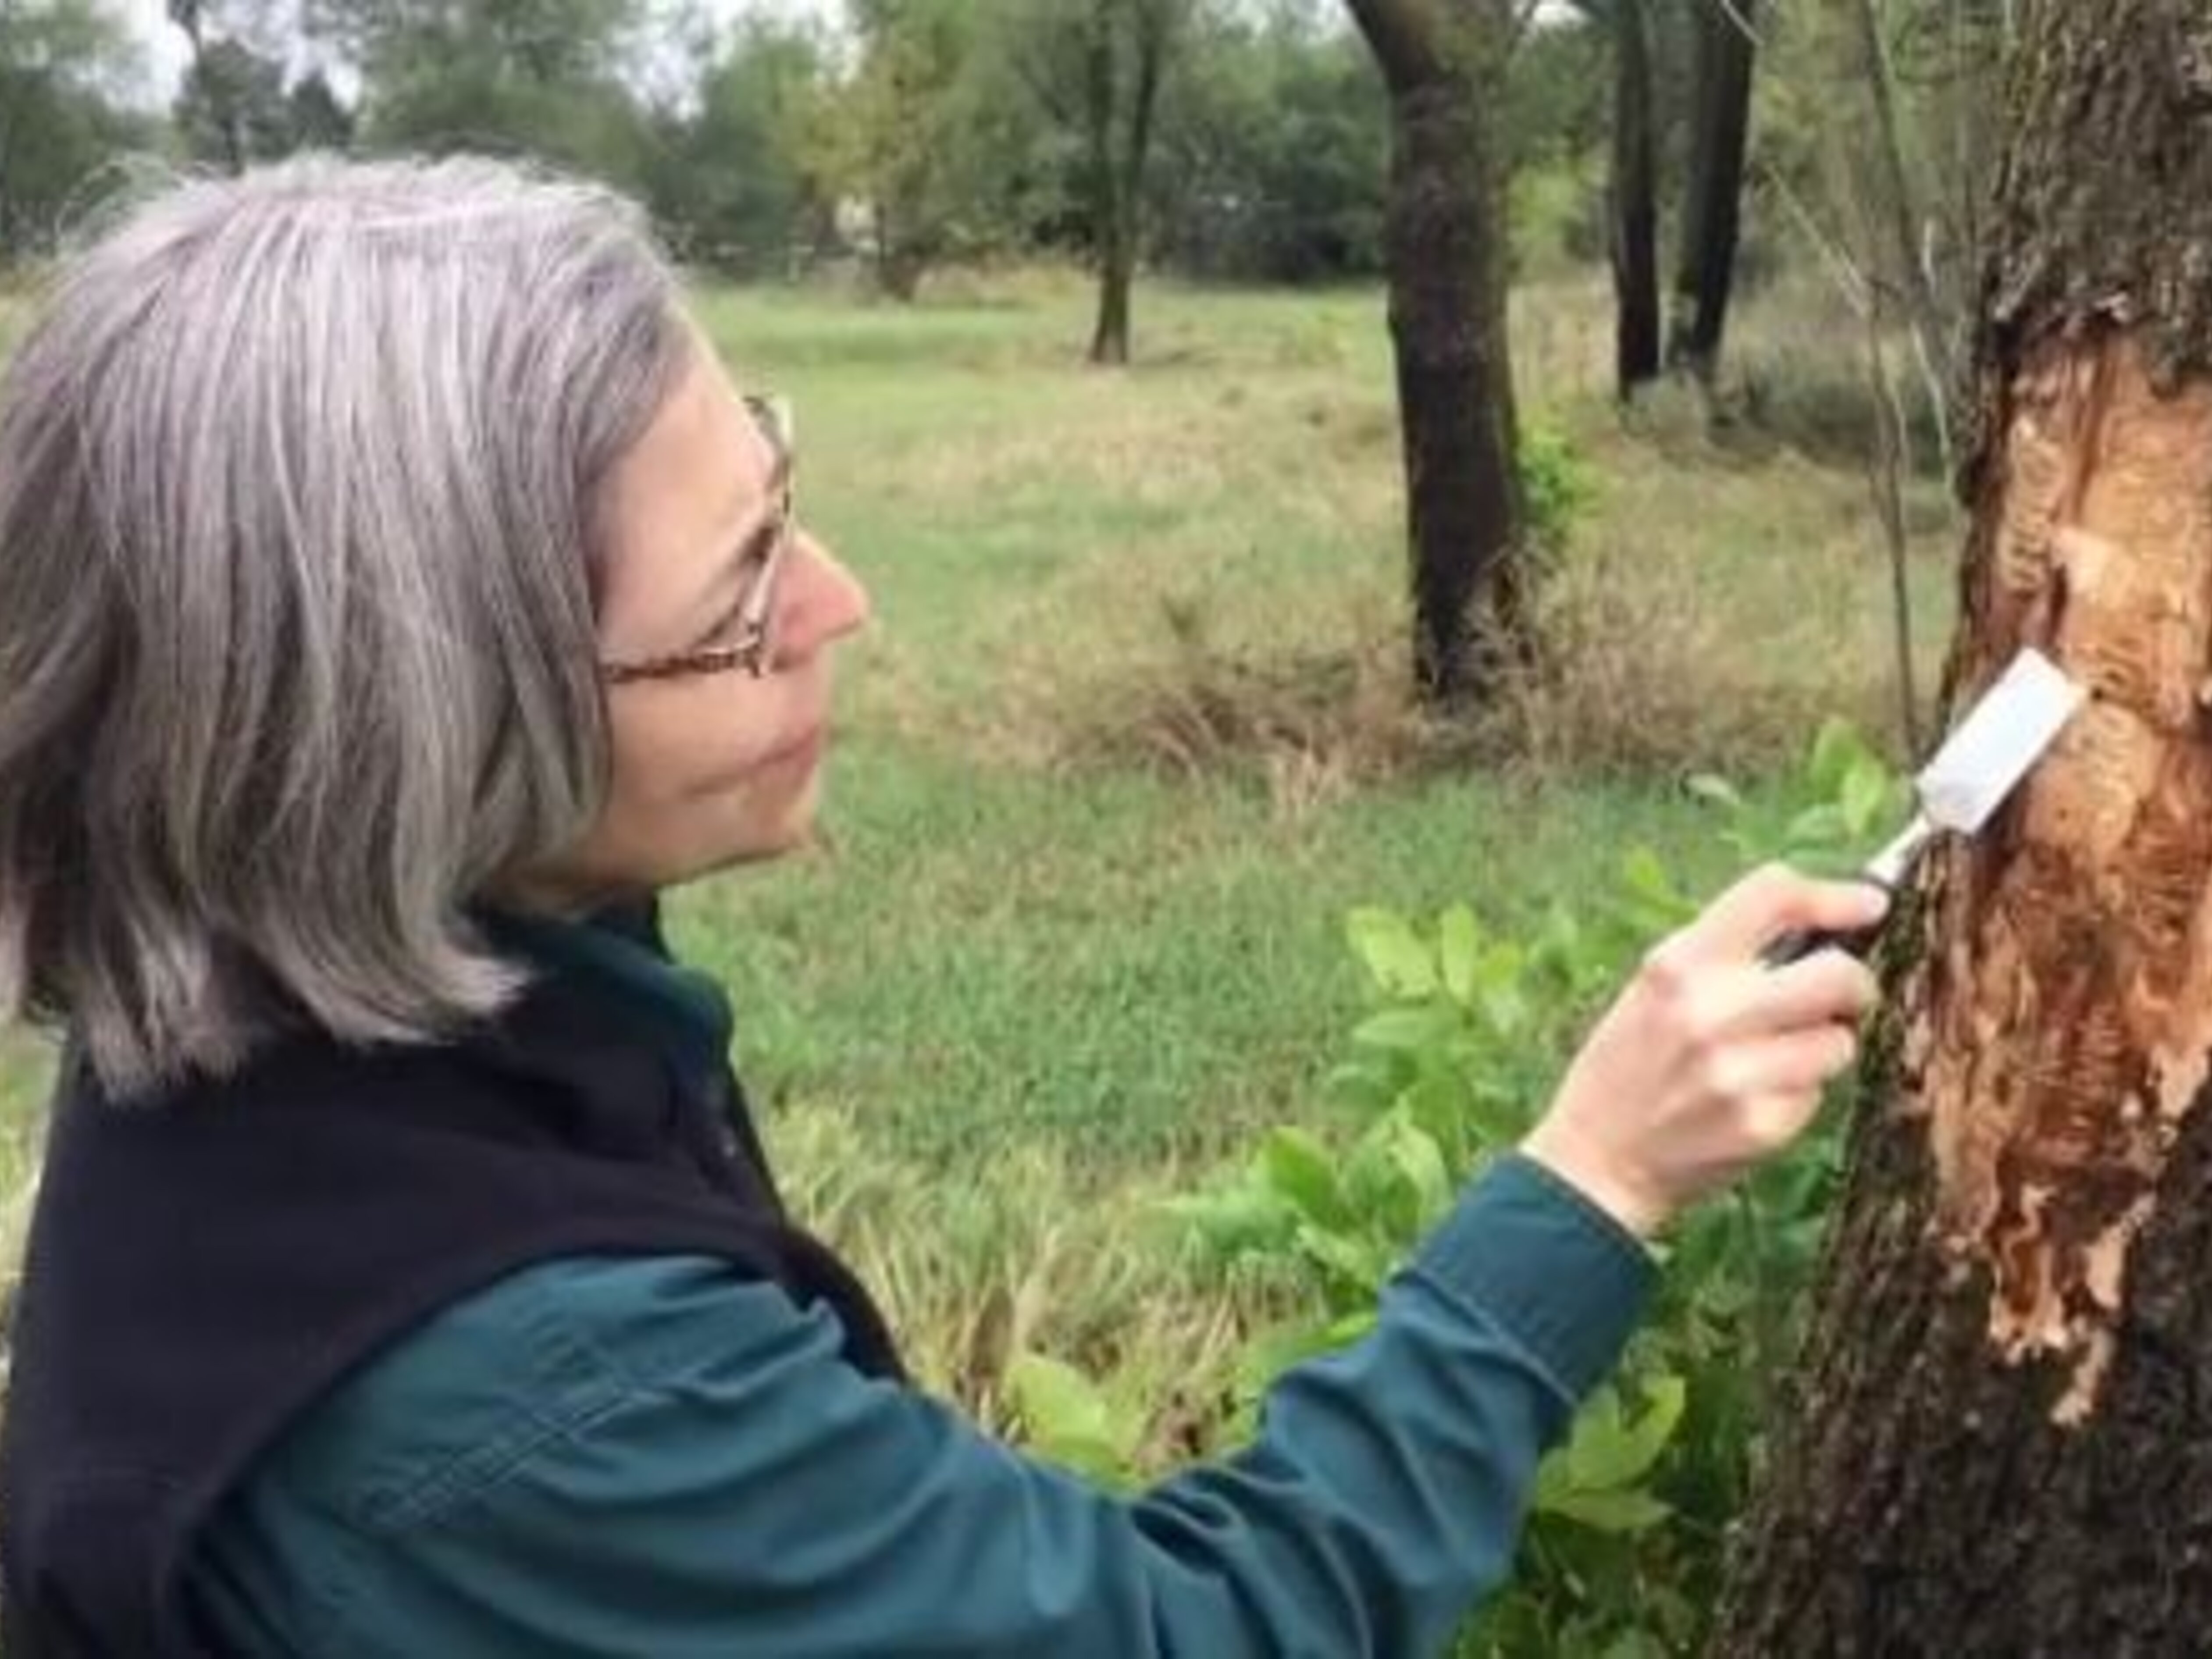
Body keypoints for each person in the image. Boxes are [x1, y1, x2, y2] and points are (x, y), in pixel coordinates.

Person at [0, 157, 1886, 1659]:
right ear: (429, 730)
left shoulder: (305, 1026)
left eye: (781, 490)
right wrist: (1592, 1180)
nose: (836, 603)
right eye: (740, 588)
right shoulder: (530, 1400)